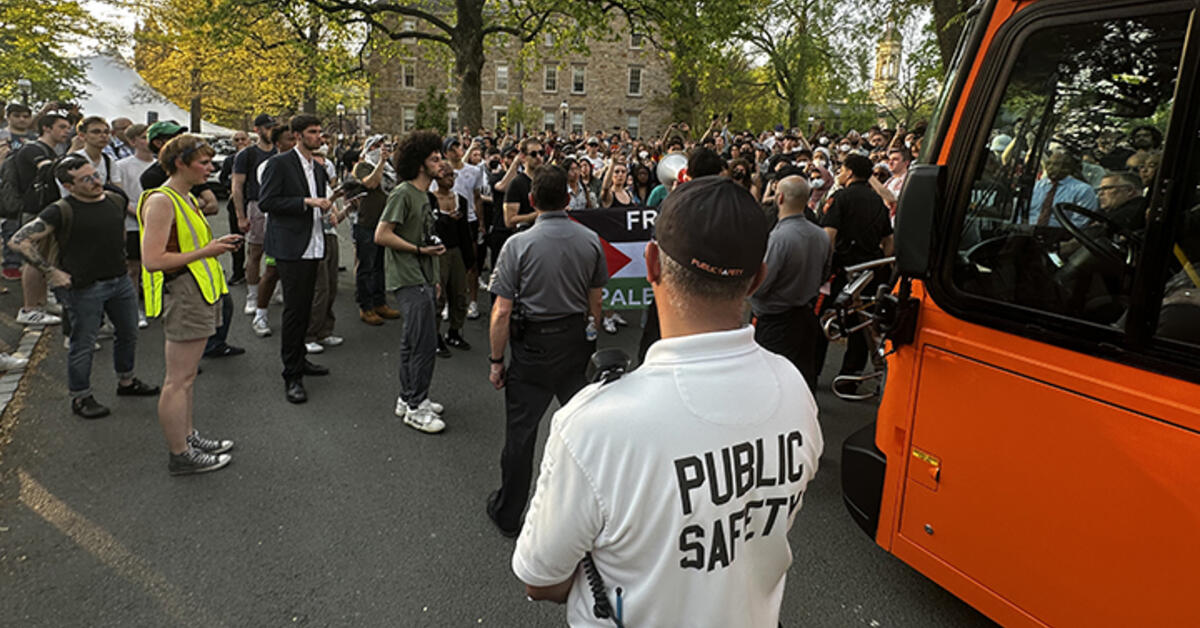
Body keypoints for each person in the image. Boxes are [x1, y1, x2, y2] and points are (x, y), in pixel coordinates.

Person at [512, 176, 823, 627]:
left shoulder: (591, 425)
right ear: (758, 279)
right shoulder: (794, 389)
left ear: (652, 262)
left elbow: (541, 580)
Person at [485, 164, 607, 538]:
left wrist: (496, 361)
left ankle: (509, 512)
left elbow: (501, 311)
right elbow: (596, 301)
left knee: (521, 436)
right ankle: (590, 514)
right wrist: (591, 337)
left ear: (532, 199)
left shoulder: (517, 245)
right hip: (574, 343)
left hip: (532, 347)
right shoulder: (590, 240)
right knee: (584, 432)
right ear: (568, 198)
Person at [8, 155, 160, 418]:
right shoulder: (60, 210)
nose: (95, 182)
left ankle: (126, 381)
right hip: (83, 287)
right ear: (69, 185)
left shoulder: (114, 199)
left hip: (119, 280)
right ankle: (81, 397)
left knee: (128, 332)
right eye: (85, 179)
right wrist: (51, 271)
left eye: (95, 175)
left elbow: (119, 232)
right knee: (83, 342)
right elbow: (18, 241)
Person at [138, 134, 238, 475]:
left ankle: (187, 437)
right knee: (178, 380)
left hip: (197, 291)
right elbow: (153, 260)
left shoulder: (185, 198)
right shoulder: (162, 201)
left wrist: (213, 246)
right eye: (204, 163)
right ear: (180, 163)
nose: (210, 168)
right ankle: (180, 453)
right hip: (183, 293)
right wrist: (207, 251)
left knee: (187, 377)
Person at [374, 130, 446, 433]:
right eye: (435, 159)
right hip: (407, 276)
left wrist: (435, 276)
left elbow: (426, 237)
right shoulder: (403, 193)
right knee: (423, 343)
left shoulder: (424, 195)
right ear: (420, 163)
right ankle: (417, 406)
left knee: (411, 340)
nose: (441, 163)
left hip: (423, 276)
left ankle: (408, 398)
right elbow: (382, 235)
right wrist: (418, 250)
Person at [259, 114, 332, 404]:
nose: (319, 136)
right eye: (313, 132)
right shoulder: (279, 164)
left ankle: (300, 359)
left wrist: (328, 209)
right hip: (291, 246)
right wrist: (306, 202)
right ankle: (292, 374)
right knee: (294, 310)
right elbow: (267, 202)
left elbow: (320, 202)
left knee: (305, 307)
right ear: (298, 135)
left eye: (320, 131)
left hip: (314, 242)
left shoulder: (319, 168)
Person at [819, 154, 894, 395]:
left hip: (842, 271)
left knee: (822, 319)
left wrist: (824, 269)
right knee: (861, 327)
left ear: (850, 172)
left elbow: (829, 237)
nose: (839, 173)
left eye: (842, 169)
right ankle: (849, 378)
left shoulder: (840, 198)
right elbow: (889, 241)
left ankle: (811, 371)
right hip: (869, 272)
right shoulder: (877, 202)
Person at [751, 175, 830, 390]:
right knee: (802, 381)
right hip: (805, 315)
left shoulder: (779, 238)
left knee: (771, 383)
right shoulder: (821, 236)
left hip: (775, 321)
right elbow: (824, 274)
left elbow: (762, 285)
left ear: (780, 198)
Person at [12, 112, 73, 326]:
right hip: (34, 210)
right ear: (46, 128)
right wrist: (72, 154)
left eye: (68, 127)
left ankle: (41, 303)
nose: (67, 132)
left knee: (45, 257)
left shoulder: (51, 150)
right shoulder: (33, 149)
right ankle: (29, 308)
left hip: (46, 208)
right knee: (33, 259)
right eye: (62, 127)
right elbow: (50, 172)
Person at [351, 136, 401, 325]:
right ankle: (366, 306)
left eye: (383, 145)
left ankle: (379, 302)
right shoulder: (363, 166)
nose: (381, 148)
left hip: (383, 224)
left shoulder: (389, 169)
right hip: (367, 224)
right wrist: (380, 162)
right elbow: (371, 183)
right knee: (367, 267)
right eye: (377, 145)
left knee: (379, 266)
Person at [110, 123, 156, 329]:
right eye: (144, 137)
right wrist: (140, 214)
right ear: (133, 141)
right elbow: (120, 196)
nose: (148, 141)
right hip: (133, 224)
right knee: (133, 269)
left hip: (156, 224)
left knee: (155, 267)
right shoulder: (122, 165)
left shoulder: (160, 165)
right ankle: (133, 309)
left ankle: (155, 305)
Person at [232, 114, 278, 316]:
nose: (271, 131)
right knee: (255, 252)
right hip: (257, 204)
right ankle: (252, 296)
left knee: (279, 251)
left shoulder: (280, 151)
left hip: (278, 205)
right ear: (257, 130)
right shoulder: (247, 155)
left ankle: (275, 289)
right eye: (267, 127)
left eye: (273, 127)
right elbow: (237, 186)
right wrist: (240, 216)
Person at [430, 162, 474, 354]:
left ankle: (454, 331)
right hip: (439, 250)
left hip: (457, 250)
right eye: (446, 176)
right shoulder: (430, 200)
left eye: (452, 176)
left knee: (459, 294)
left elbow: (465, 231)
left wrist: (469, 257)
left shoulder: (460, 200)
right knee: (439, 296)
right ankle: (434, 335)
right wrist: (446, 219)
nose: (450, 180)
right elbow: (431, 227)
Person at [1028, 149, 1097, 227]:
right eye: (1048, 164)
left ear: (1067, 168)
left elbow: (1080, 222)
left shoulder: (1083, 190)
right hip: (1027, 229)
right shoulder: (1036, 186)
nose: (1050, 167)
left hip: (1060, 232)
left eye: (1056, 164)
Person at [219, 130, 250, 285]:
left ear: (249, 140)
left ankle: (254, 271)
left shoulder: (254, 157)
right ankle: (238, 272)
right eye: (236, 140)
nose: (240, 142)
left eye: (243, 139)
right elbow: (222, 178)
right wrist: (231, 188)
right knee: (237, 238)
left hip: (253, 201)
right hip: (236, 203)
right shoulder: (230, 160)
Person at [497, 137, 545, 232]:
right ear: (523, 157)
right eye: (533, 154)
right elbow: (509, 221)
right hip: (526, 234)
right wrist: (538, 214)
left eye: (541, 153)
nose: (538, 157)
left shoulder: (548, 179)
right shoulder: (516, 184)